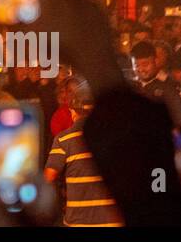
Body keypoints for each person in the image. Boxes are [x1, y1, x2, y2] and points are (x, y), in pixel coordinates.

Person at [44, 79, 122, 227]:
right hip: (112, 220)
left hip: (79, 221)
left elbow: (49, 177)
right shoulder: (116, 135)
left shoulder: (64, 139)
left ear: (72, 111)